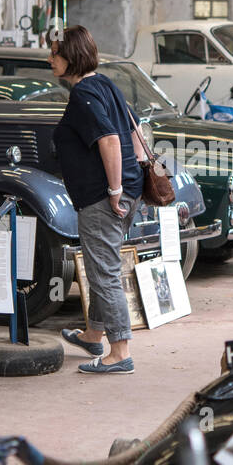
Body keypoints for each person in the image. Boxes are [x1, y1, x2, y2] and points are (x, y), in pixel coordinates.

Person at [51, 26, 146, 374]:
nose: (50, 60)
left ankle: (120, 352)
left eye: (55, 54)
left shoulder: (83, 95)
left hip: (102, 199)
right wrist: (132, 178)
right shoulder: (105, 83)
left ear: (70, 57)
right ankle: (93, 334)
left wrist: (115, 189)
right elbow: (135, 132)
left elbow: (108, 139)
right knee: (99, 266)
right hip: (126, 191)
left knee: (103, 273)